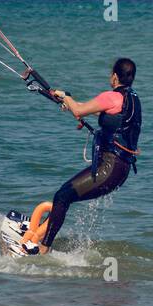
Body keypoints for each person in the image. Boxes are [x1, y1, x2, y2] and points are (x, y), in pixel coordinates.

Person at [39, 57, 141, 251]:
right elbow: (96, 112)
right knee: (64, 195)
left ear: (114, 77)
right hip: (121, 171)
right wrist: (71, 103)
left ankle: (43, 250)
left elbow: (79, 111)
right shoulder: (133, 100)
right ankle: (40, 235)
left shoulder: (111, 96)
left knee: (62, 197)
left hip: (109, 168)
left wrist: (65, 96)